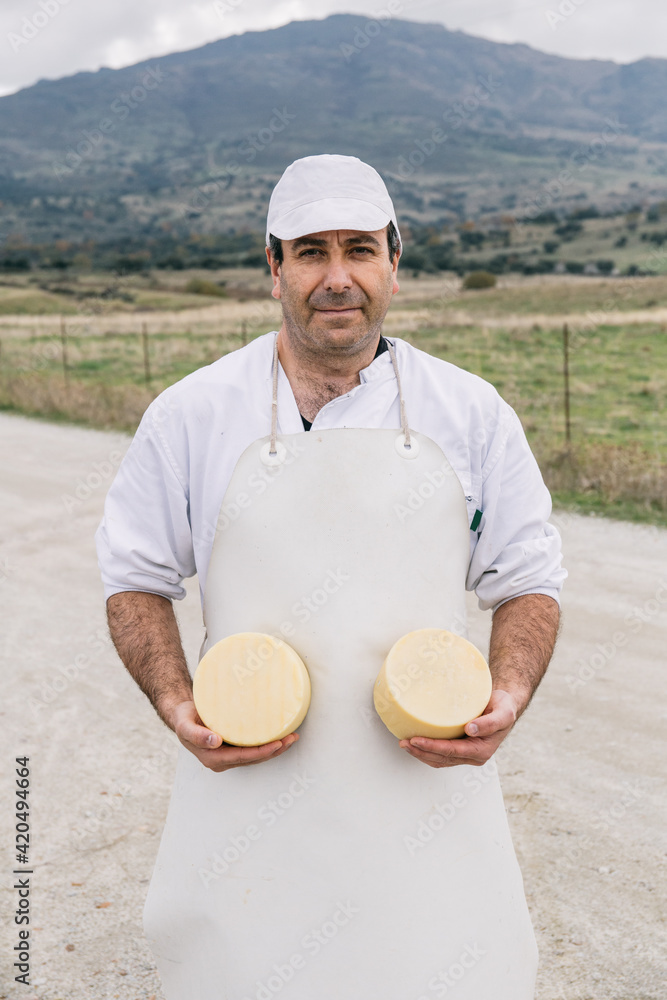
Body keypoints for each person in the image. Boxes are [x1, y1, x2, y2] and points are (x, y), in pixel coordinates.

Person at [96, 153, 565, 1000]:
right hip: (249, 791)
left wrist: (510, 692)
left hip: (425, 791)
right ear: (272, 269)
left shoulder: (470, 412)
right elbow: (134, 578)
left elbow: (527, 578)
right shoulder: (193, 414)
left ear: (395, 261)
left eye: (359, 249)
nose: (336, 277)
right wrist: (176, 704)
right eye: (310, 252)